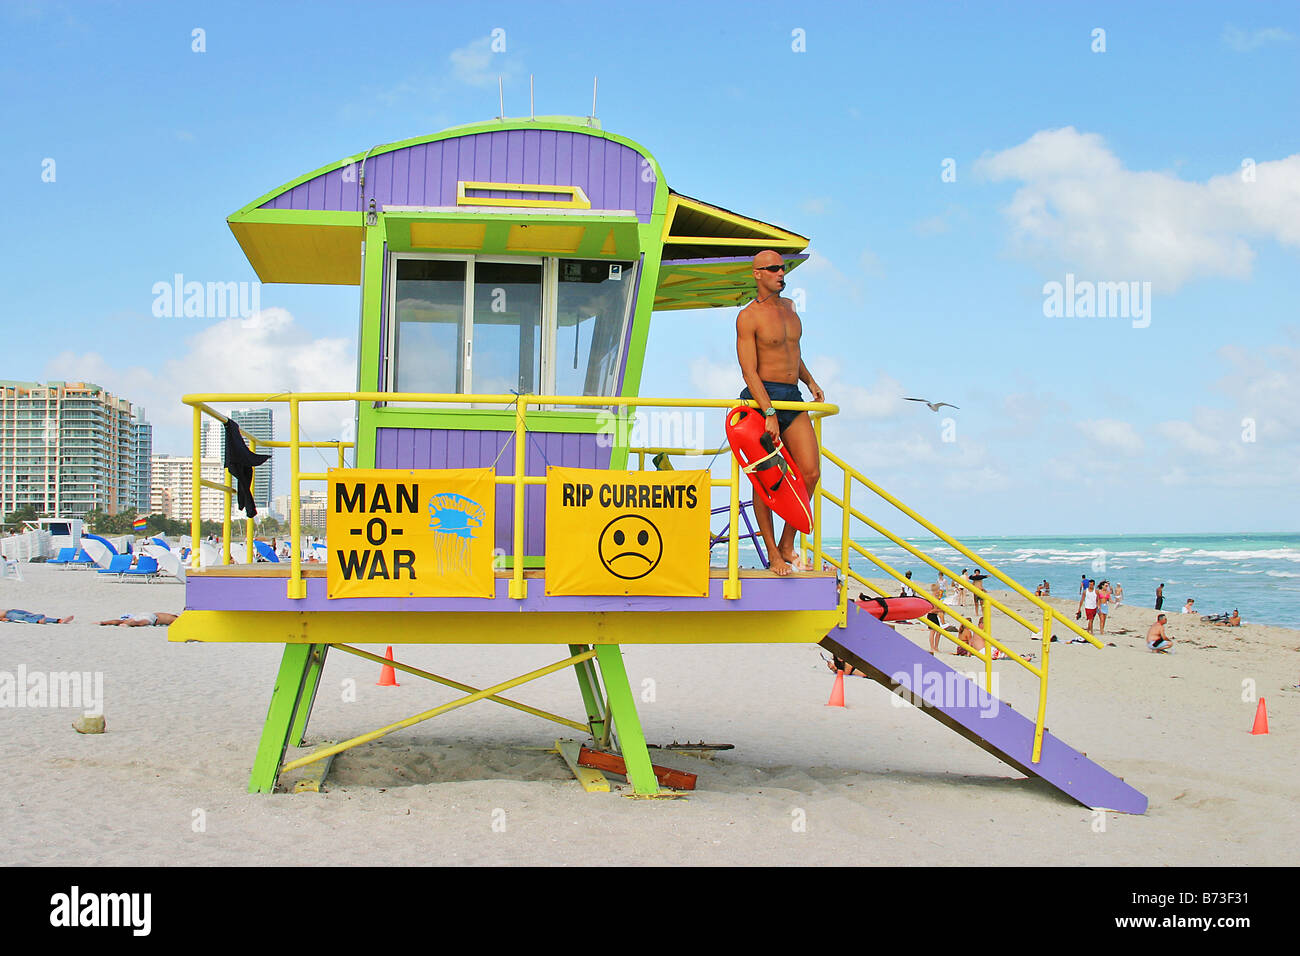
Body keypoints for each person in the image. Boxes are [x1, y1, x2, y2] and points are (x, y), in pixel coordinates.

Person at [736, 249, 824, 576]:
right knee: (765, 481)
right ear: (757, 274)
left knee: (810, 472)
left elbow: (791, 352)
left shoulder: (790, 307)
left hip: (792, 396)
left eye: (782, 268)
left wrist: (811, 381)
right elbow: (749, 371)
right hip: (763, 399)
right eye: (773, 269)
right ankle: (773, 553)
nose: (780, 273)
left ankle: (788, 543)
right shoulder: (748, 316)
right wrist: (768, 410)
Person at [925, 581, 945, 655]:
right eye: (938, 589)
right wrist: (941, 610)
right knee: (932, 632)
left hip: (934, 615)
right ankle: (932, 647)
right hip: (931, 615)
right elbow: (931, 610)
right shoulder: (933, 598)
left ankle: (936, 647)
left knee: (938, 631)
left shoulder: (936, 597)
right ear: (936, 590)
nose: (939, 591)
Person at [96, 612, 180, 627]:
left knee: (122, 620)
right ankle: (128, 624)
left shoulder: (172, 615)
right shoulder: (177, 619)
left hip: (148, 613)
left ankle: (103, 622)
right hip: (152, 617)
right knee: (141, 623)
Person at [1, 609, 74, 624]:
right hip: (9, 615)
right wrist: (3, 619)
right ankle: (38, 621)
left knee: (32, 615)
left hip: (11, 611)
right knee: (25, 618)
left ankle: (59, 620)